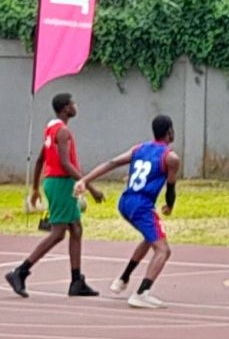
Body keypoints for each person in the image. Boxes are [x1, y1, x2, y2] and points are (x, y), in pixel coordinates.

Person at [75, 114, 180, 309]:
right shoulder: (171, 157)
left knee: (150, 238)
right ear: (170, 132)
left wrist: (85, 180)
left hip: (125, 202)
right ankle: (141, 293)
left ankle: (123, 278)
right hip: (142, 205)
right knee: (163, 250)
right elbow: (171, 187)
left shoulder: (138, 149)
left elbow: (112, 163)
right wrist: (169, 206)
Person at [5, 93, 103, 298]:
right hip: (60, 182)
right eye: (73, 103)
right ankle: (20, 272)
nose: (76, 106)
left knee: (76, 228)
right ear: (66, 108)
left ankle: (76, 281)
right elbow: (66, 164)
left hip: (56, 182)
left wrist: (35, 189)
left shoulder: (51, 129)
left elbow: (40, 159)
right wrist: (89, 186)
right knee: (58, 232)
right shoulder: (63, 131)